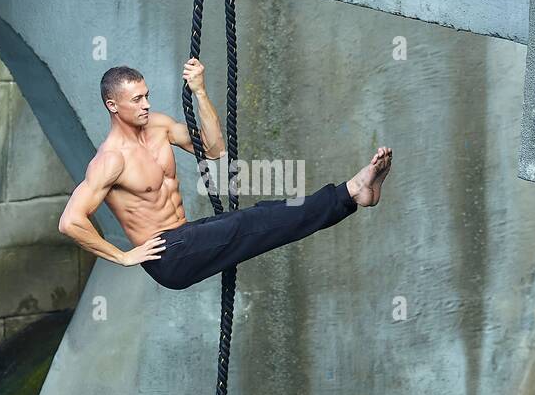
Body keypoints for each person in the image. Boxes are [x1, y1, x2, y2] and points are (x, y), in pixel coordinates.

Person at [57, 58, 393, 290]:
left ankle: (351, 196)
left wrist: (200, 92)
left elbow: (215, 149)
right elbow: (70, 221)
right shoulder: (111, 160)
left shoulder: (158, 127)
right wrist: (124, 257)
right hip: (169, 258)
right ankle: (351, 190)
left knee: (263, 213)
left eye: (147, 96)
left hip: (185, 235)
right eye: (136, 100)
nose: (145, 105)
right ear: (112, 105)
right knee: (248, 225)